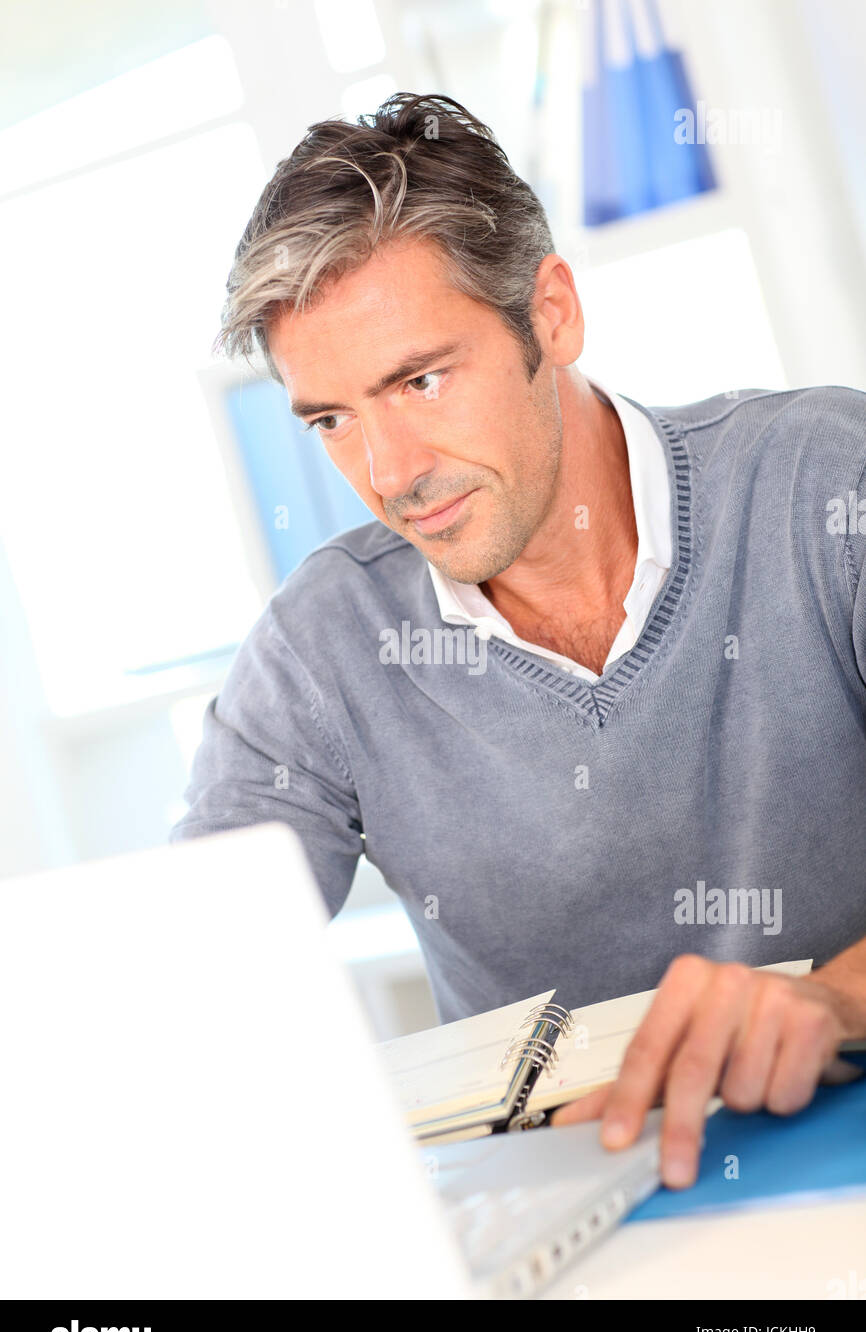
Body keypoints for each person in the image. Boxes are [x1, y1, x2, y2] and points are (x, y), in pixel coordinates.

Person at [171, 93, 866, 1187]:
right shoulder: (321, 649)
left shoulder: (826, 484)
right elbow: (192, 974)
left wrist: (833, 997)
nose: (389, 471)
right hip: (574, 1229)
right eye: (331, 419)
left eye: (420, 380)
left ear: (550, 315)